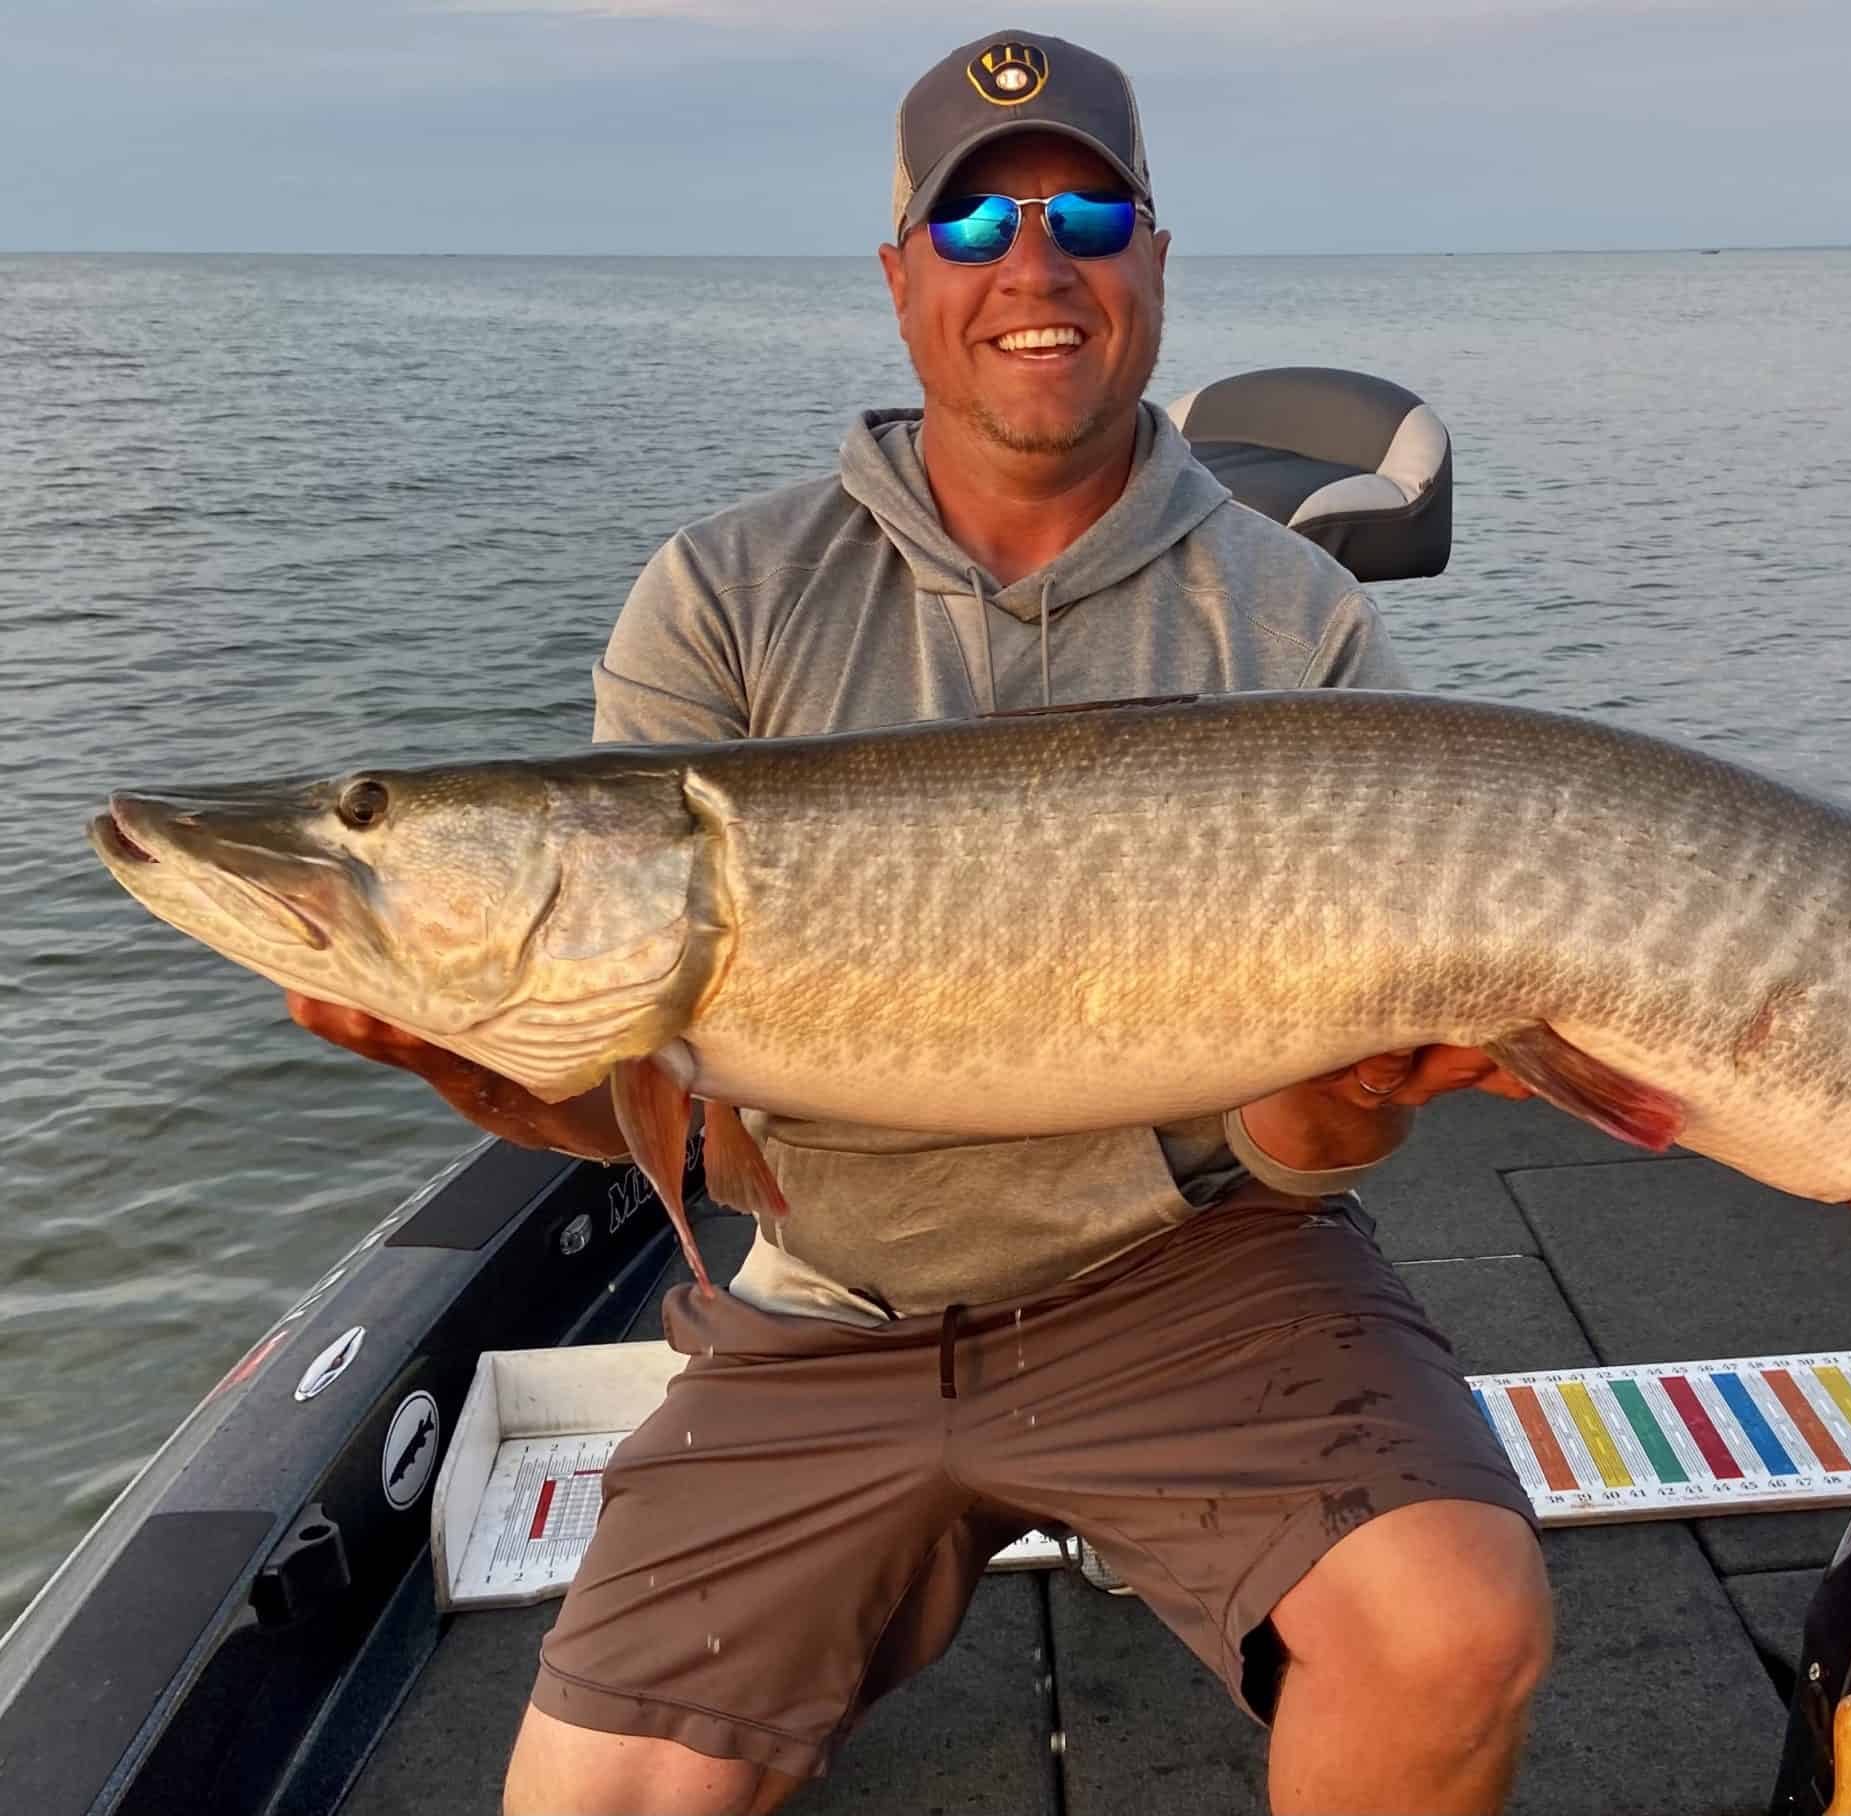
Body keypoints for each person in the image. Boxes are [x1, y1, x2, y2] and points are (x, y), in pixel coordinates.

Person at [290, 30, 1552, 1816]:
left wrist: (1350, 1105)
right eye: (971, 227)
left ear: (1157, 264)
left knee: (1452, 1629)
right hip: (832, 1300)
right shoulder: (724, 592)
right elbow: (672, 1110)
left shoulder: (1297, 618)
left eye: (1086, 212)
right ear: (901, 279)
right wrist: (513, 1087)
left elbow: (1298, 1143)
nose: (1033, 267)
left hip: (1189, 1270)